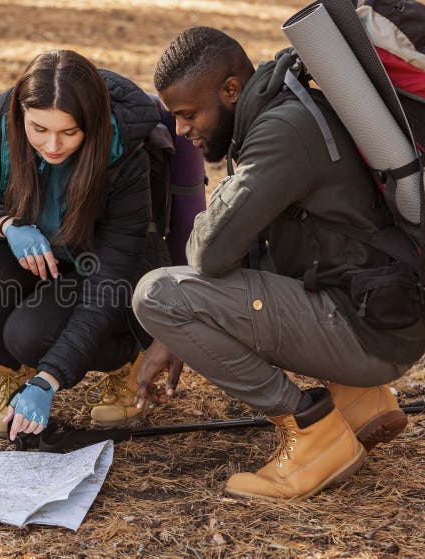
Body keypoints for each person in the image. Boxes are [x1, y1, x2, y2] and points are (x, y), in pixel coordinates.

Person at [133, 27, 425, 500]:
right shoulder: (281, 105)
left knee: (159, 295)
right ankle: (357, 398)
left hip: (368, 332)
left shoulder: (283, 132)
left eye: (188, 115)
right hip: (380, 312)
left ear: (231, 90)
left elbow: (208, 253)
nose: (181, 130)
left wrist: (174, 322)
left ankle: (312, 431)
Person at [0, 49, 167, 441]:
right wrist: (6, 225)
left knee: (29, 337)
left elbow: (110, 278)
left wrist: (50, 378)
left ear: (93, 124)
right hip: (40, 259)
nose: (52, 145)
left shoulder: (124, 155)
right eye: (39, 129)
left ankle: (124, 362)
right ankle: (14, 381)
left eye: (69, 132)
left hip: (103, 276)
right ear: (20, 114)